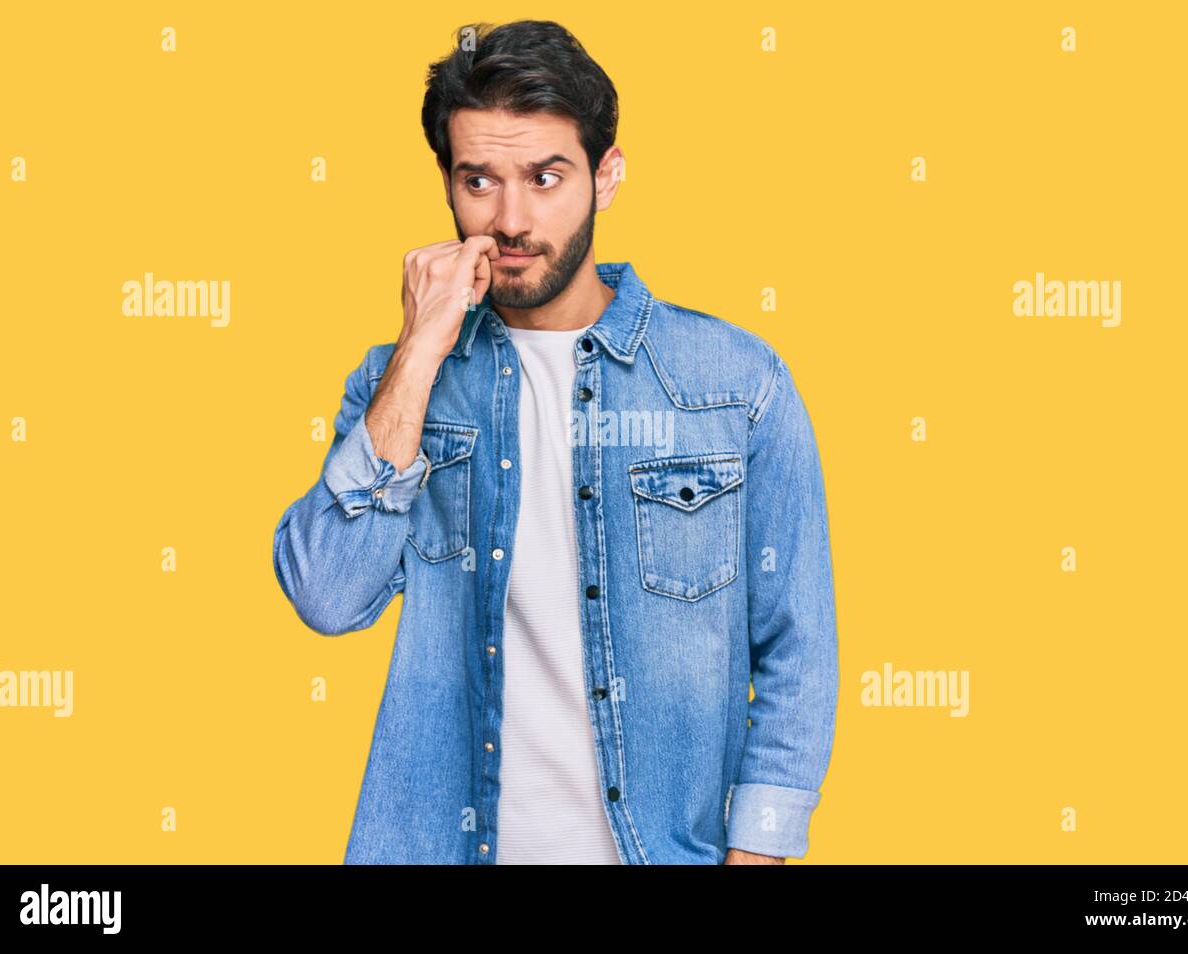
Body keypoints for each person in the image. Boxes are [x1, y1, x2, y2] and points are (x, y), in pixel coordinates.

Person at [272, 18, 839, 865]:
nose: (510, 218)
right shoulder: (399, 384)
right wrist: (422, 347)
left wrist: (757, 853)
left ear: (605, 177)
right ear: (448, 183)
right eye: (479, 181)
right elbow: (325, 594)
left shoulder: (735, 384)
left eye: (545, 177)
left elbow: (797, 647)